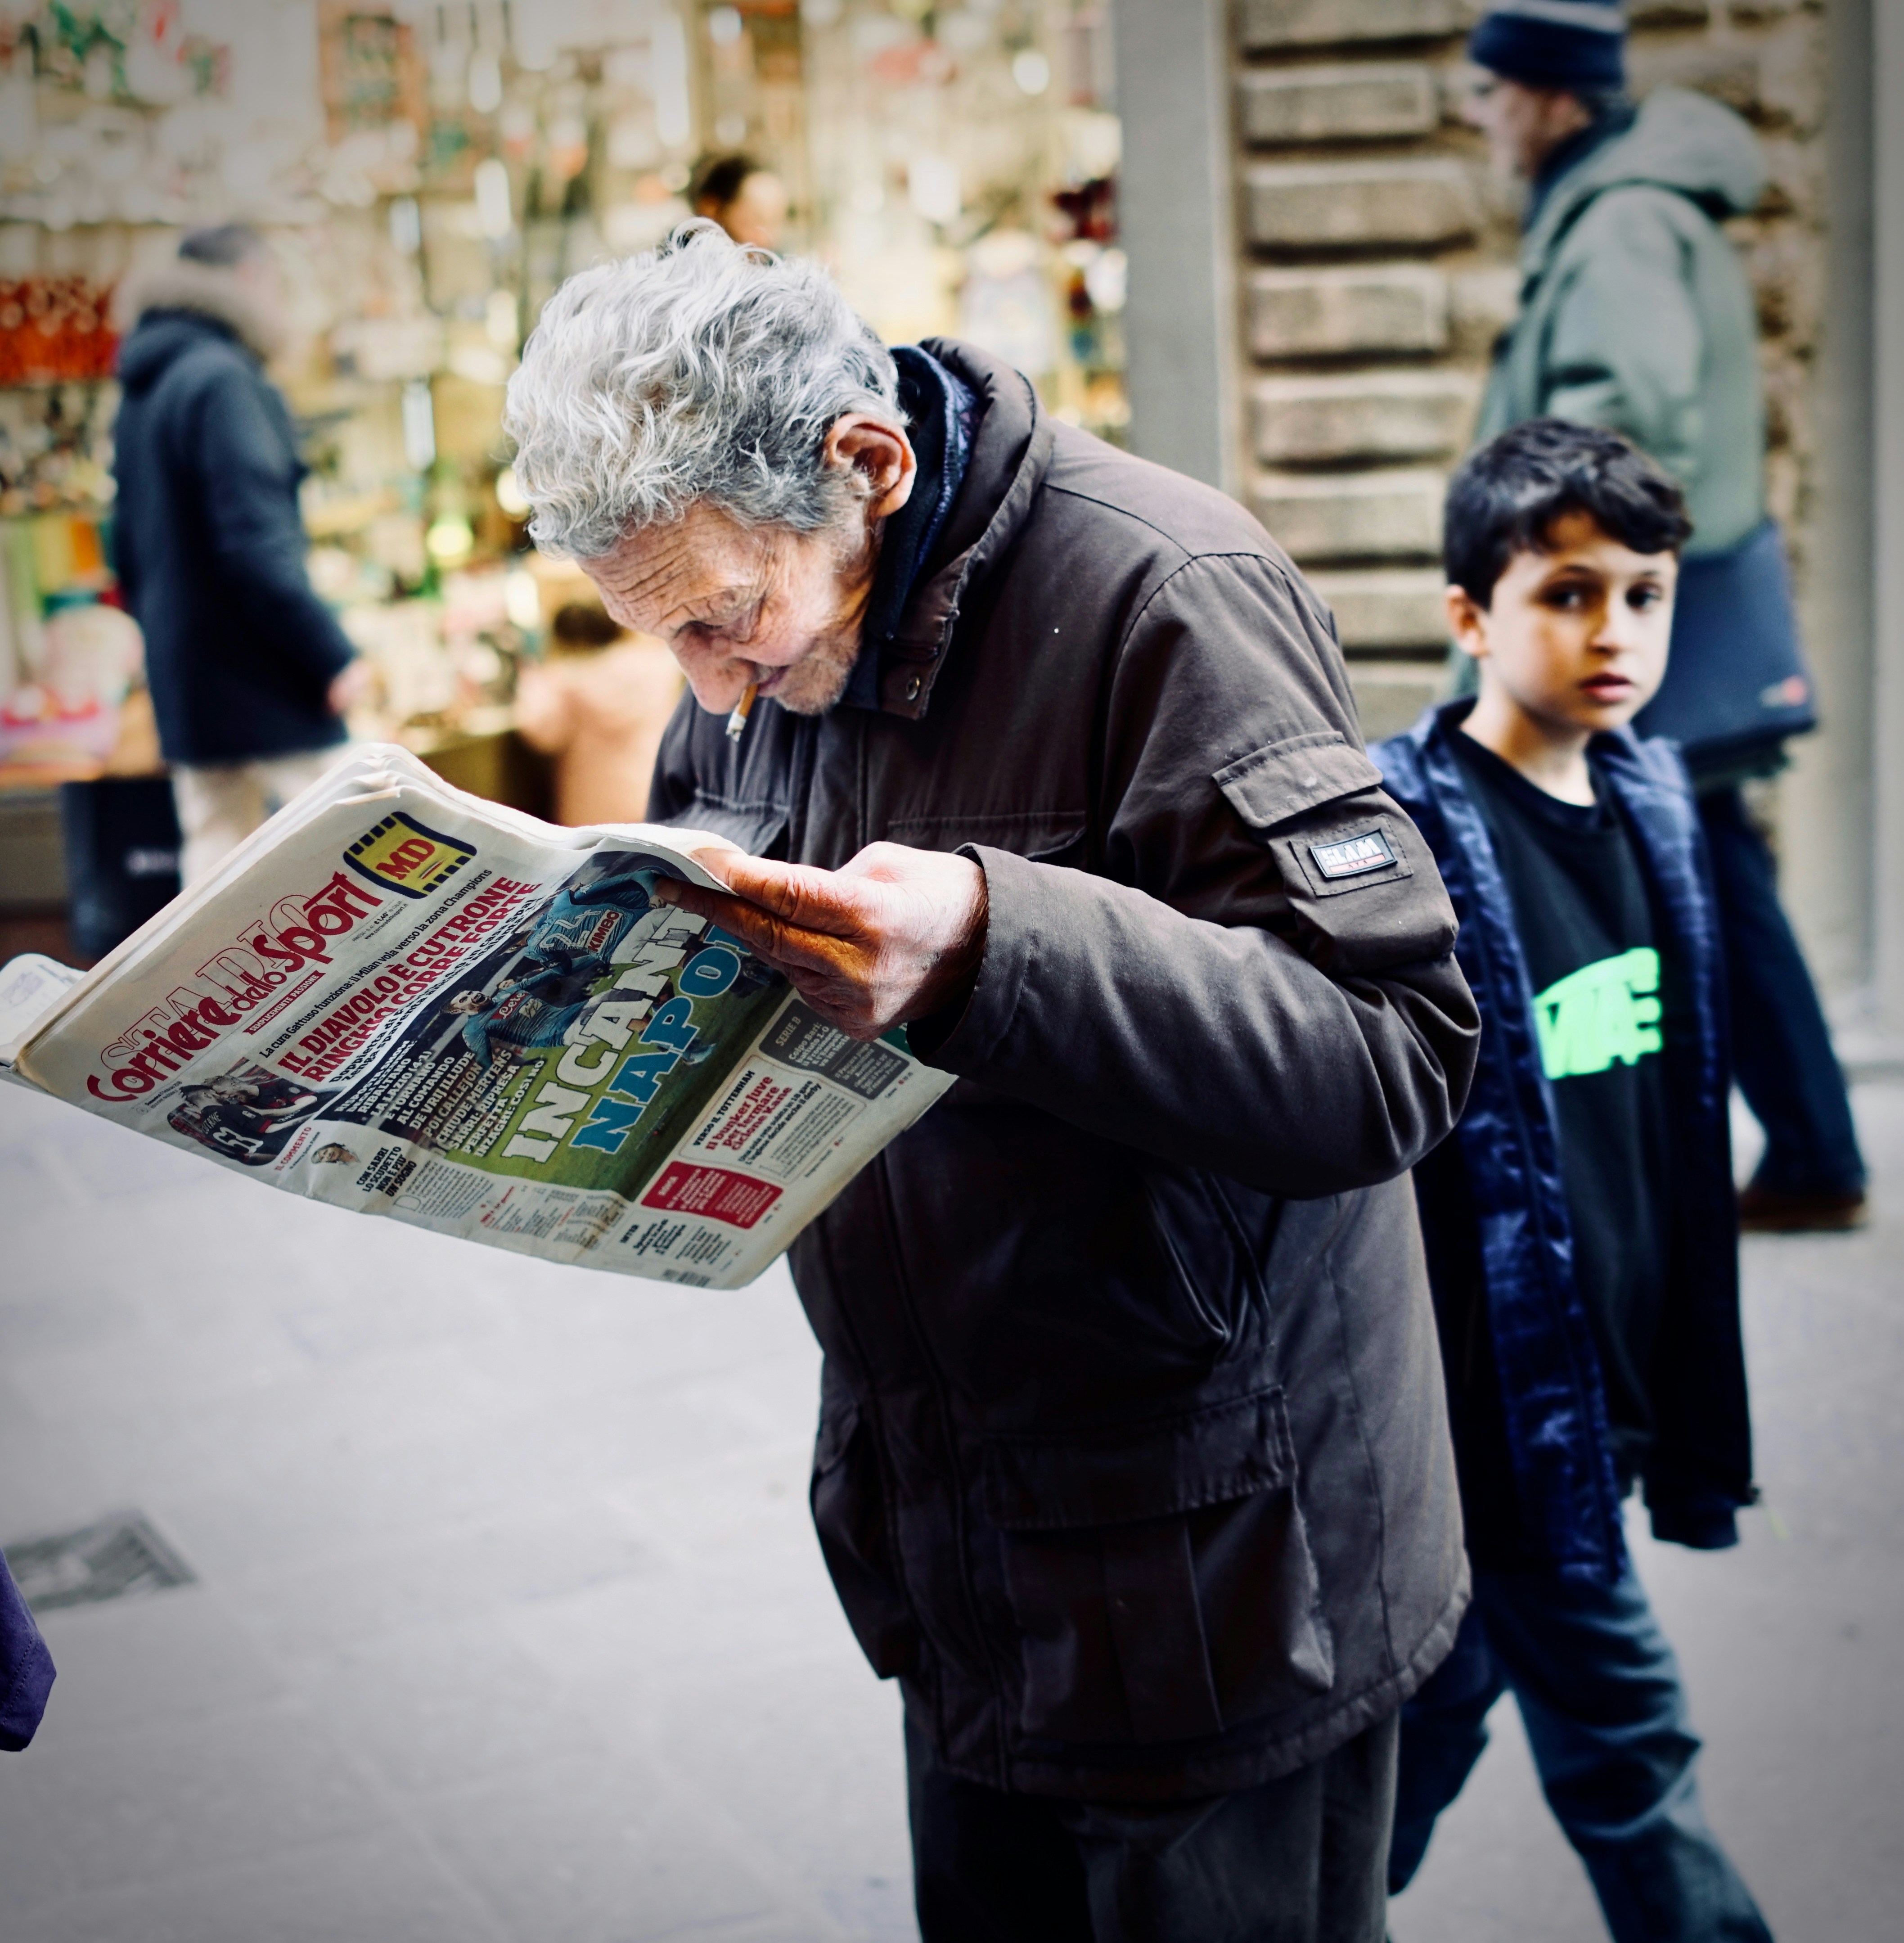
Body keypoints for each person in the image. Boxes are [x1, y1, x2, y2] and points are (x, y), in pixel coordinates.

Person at [504, 222, 1481, 1940]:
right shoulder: (746, 654)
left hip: (1223, 1553)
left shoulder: (1165, 594)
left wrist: (989, 944)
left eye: (726, 620)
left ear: (864, 464)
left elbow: (1390, 1048)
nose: (707, 689)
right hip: (955, 1532)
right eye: (661, 638)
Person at [1373, 421, 1771, 1941]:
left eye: (1646, 594)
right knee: (1633, 1753)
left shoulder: (1659, 806)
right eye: (1569, 591)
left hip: (1604, 1379)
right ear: (1472, 611)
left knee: (1434, 1721)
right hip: (1496, 1406)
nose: (1615, 630)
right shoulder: (1403, 823)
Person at [1459, 0, 1867, 1231]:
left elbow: (1616, 431)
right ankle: (1798, 1147)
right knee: (1701, 873)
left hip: (1613, 647)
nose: (1474, 116)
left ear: (1548, 96)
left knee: (1695, 880)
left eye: (1489, 92)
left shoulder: (1621, 220)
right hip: (1635, 636)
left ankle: (1789, 1152)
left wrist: (1552, 606)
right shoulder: (1615, 206)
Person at [112, 225, 363, 887]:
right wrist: (331, 653)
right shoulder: (224, 380)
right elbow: (257, 542)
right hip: (262, 673)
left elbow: (124, 550)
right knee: (366, 839)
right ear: (252, 281)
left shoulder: (142, 389)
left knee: (213, 868)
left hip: (187, 679)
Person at [513, 602, 684, 825]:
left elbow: (543, 736)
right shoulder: (658, 666)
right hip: (656, 793)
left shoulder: (565, 680)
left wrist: (533, 676)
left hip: (596, 807)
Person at [689, 153, 789, 252]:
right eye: (751, 222)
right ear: (711, 209)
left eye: (775, 223)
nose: (765, 240)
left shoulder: (777, 262)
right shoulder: (678, 262)